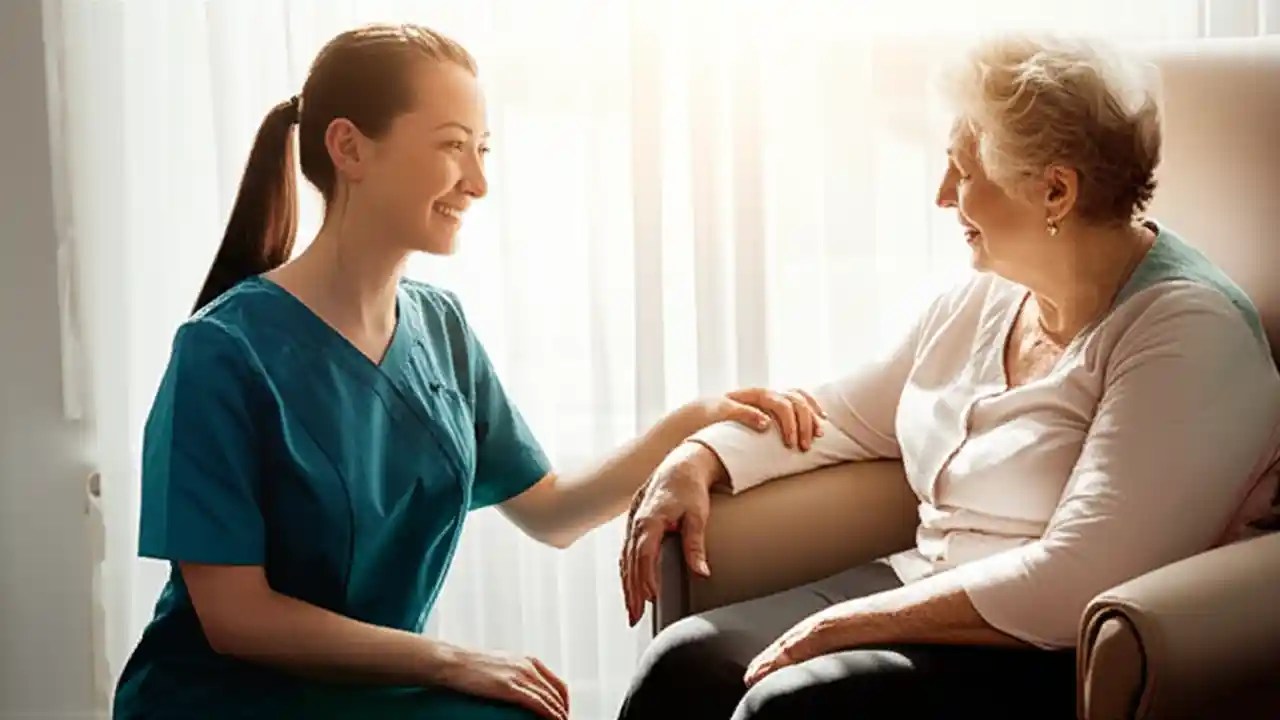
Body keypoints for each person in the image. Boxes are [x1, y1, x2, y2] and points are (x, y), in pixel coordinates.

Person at [110, 22, 825, 720]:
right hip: (225, 698)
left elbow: (551, 511)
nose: (478, 182)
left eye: (482, 149)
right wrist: (453, 661)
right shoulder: (223, 351)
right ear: (349, 148)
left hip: (373, 690)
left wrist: (693, 424)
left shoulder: (440, 327)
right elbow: (239, 620)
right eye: (453, 147)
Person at [616, 32, 1280, 720]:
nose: (941, 196)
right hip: (921, 584)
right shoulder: (989, 293)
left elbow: (1080, 575)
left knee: (785, 707)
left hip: (1043, 647)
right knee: (684, 663)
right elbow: (845, 413)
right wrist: (699, 457)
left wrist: (841, 626)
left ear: (1055, 189)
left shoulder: (1187, 331)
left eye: (962, 171)